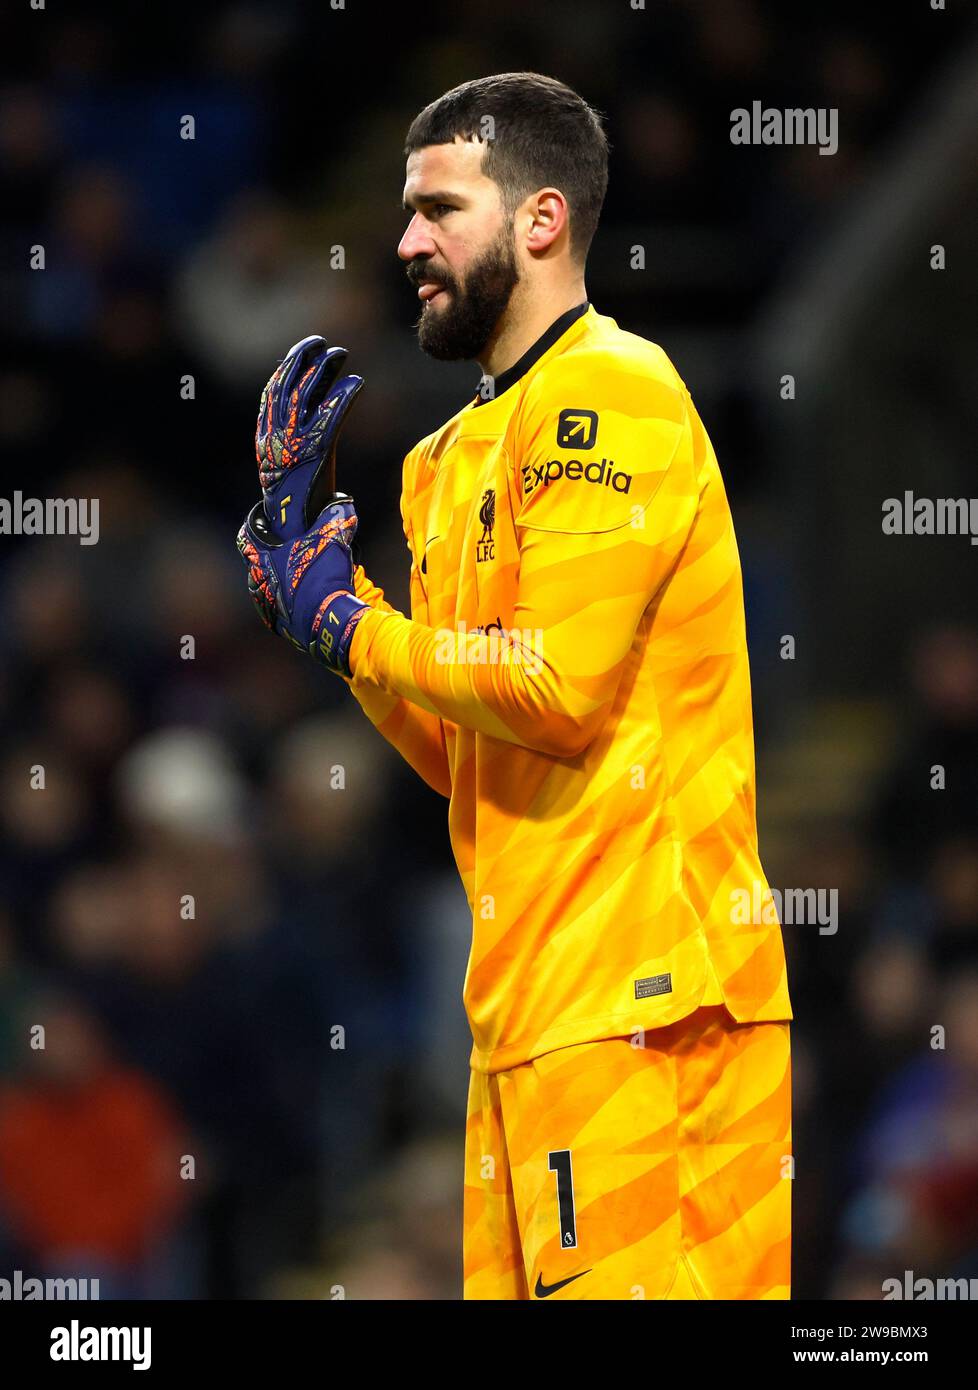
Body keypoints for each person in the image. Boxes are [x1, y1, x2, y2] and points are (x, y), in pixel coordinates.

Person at [237, 71, 792, 1300]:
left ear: (541, 220)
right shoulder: (443, 462)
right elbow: (477, 748)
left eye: (439, 207)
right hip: (524, 1017)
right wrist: (342, 634)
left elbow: (557, 690)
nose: (406, 242)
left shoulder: (618, 390)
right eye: (405, 211)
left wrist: (354, 622)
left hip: (651, 1000)